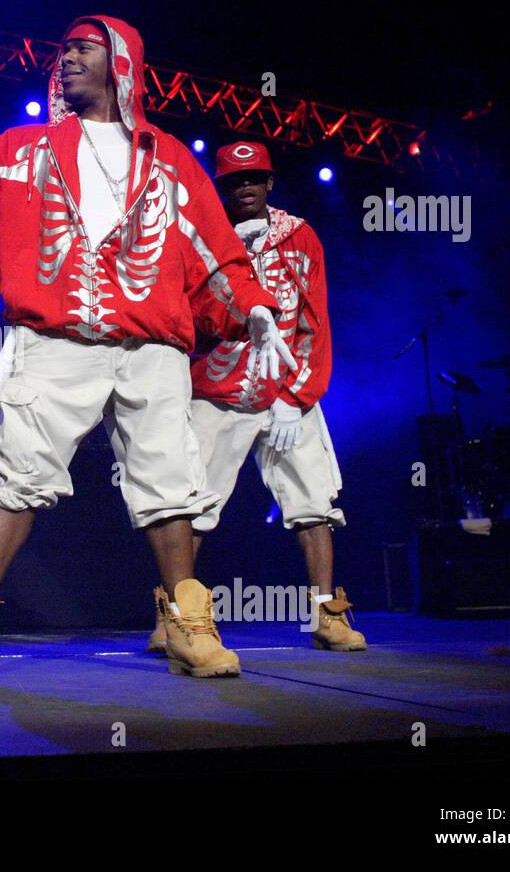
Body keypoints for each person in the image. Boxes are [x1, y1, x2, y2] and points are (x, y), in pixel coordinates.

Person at [0, 16, 293, 684]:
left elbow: (214, 243)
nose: (67, 58)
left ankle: (188, 624)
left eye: (83, 48)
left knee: (168, 487)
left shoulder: (167, 158)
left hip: (151, 341)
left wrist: (253, 304)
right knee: (19, 478)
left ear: (121, 63)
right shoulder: (34, 148)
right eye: (65, 50)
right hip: (57, 336)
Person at [146, 141, 365, 654]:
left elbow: (315, 318)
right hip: (218, 390)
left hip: (288, 391)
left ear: (270, 182)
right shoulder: (201, 237)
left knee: (314, 504)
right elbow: (184, 312)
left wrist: (299, 394)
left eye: (254, 178)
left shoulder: (301, 237)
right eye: (233, 180)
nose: (244, 187)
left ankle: (326, 616)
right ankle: (175, 616)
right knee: (191, 508)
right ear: (219, 187)